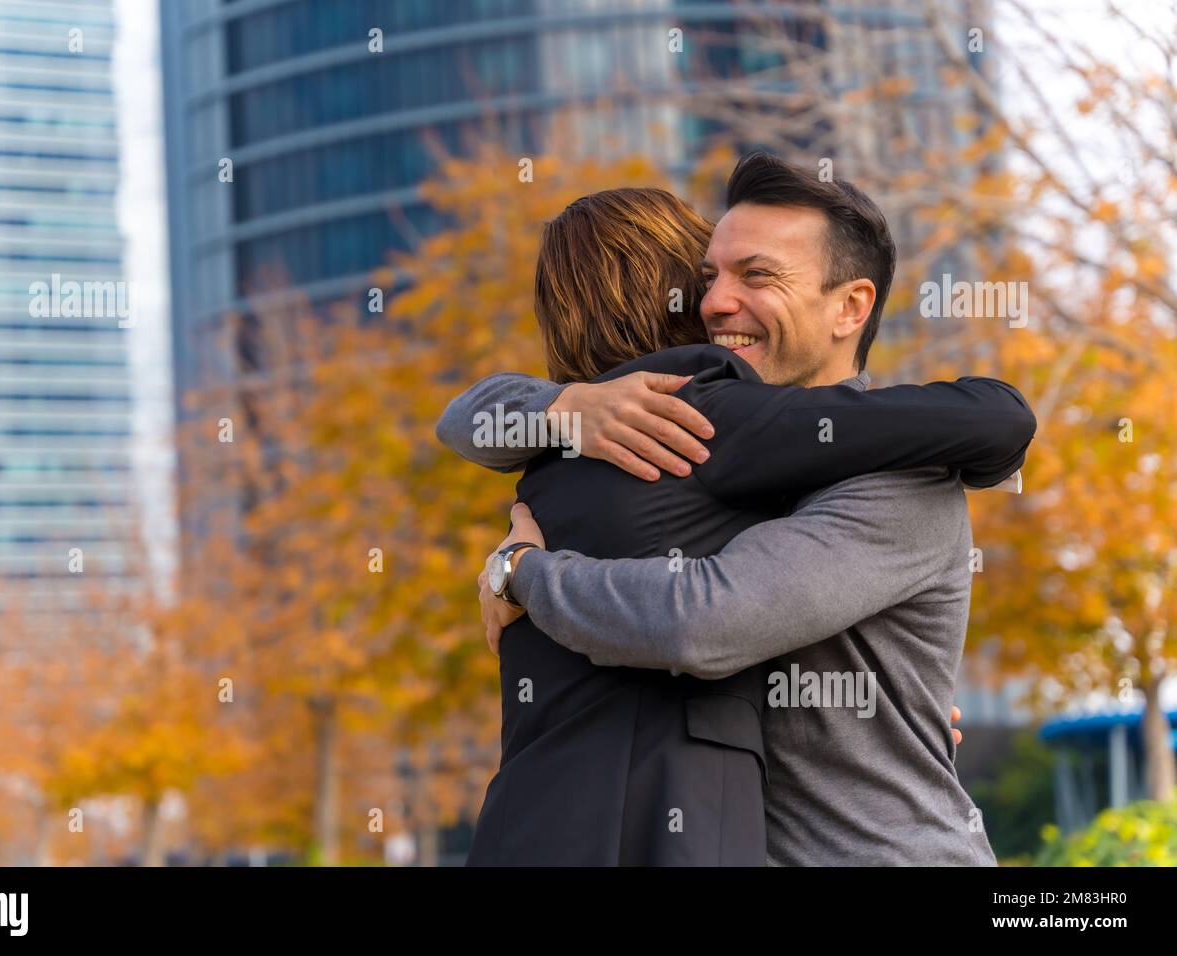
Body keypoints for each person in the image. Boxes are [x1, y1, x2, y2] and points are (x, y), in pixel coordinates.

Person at [440, 159, 1034, 865]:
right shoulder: (678, 442)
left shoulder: (898, 479)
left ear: (850, 307)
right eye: (707, 278)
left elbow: (701, 623)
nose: (715, 303)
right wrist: (565, 405)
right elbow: (466, 414)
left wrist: (525, 574)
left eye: (756, 276)